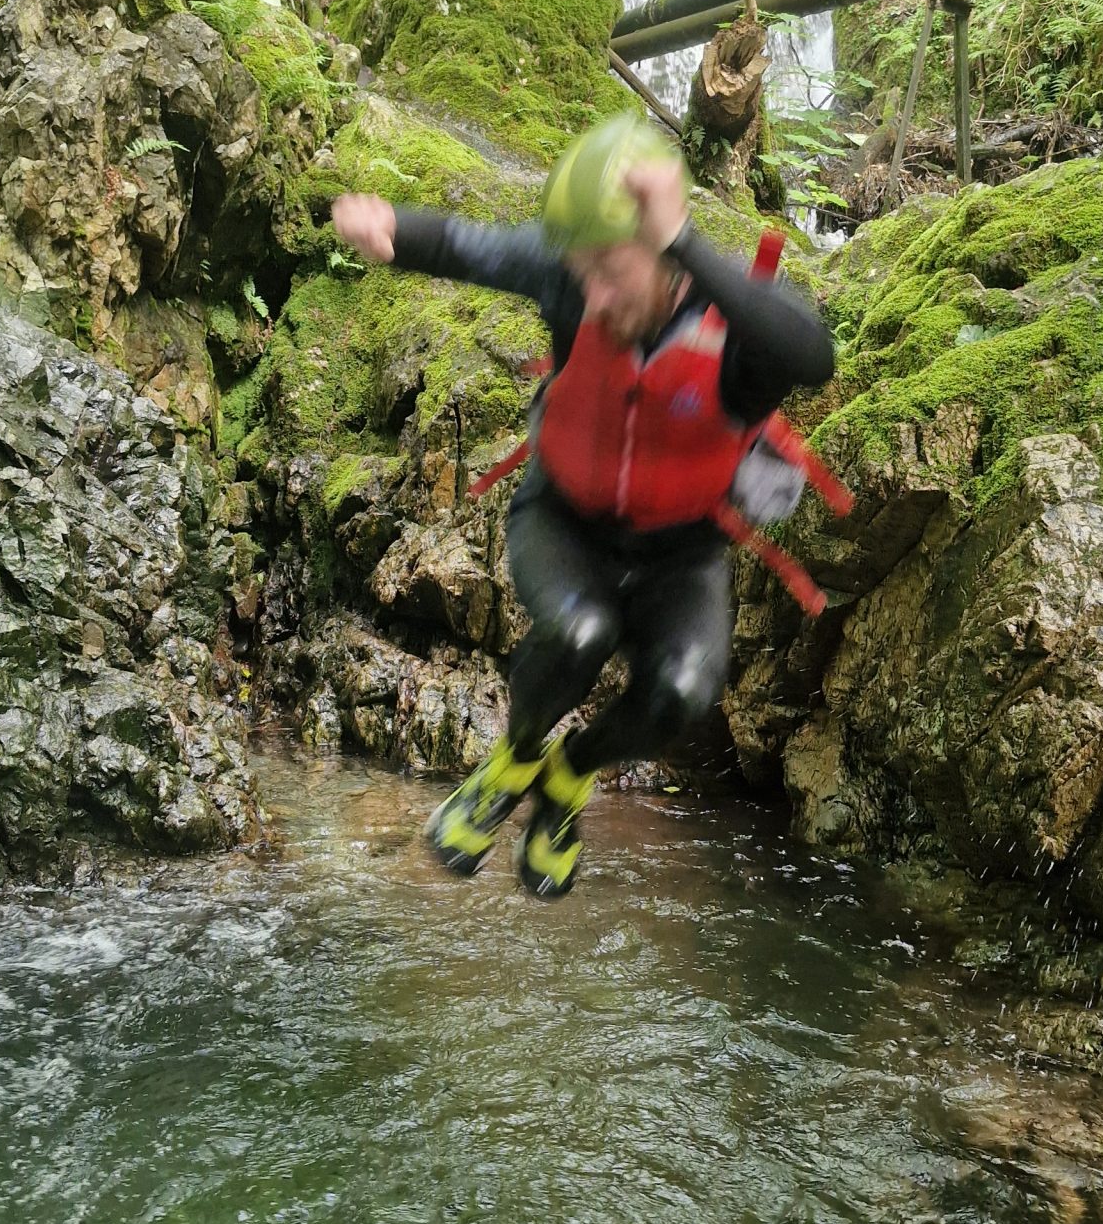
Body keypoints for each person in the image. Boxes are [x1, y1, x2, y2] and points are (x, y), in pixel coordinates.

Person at [329, 114, 835, 900]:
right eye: (580, 272)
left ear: (665, 253)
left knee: (684, 689)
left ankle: (571, 775)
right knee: (581, 631)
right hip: (562, 520)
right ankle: (517, 756)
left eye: (610, 269)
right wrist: (395, 228)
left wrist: (684, 236)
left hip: (681, 554)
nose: (591, 294)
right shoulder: (575, 282)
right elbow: (476, 245)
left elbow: (811, 354)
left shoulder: (734, 327)